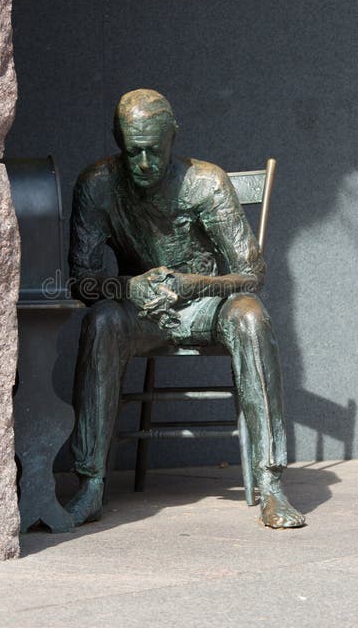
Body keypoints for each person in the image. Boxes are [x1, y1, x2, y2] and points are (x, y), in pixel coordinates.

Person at [66, 88, 305, 529]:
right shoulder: (97, 186)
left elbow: (252, 274)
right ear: (118, 141)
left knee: (250, 316)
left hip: (207, 305)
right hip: (140, 311)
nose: (144, 163)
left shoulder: (206, 183)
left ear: (172, 138)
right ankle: (90, 483)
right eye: (133, 151)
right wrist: (127, 287)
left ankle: (272, 484)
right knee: (100, 321)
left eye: (154, 150)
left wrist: (194, 284)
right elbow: (80, 281)